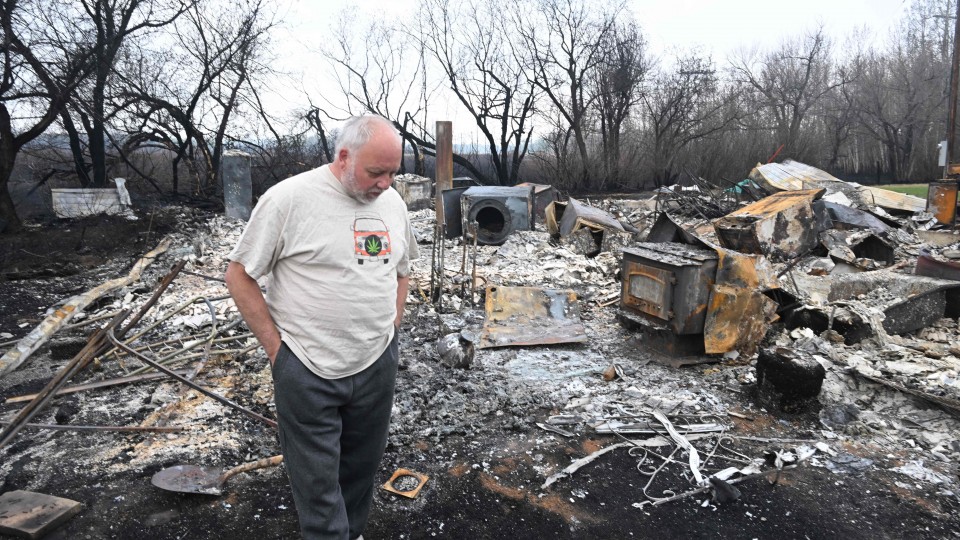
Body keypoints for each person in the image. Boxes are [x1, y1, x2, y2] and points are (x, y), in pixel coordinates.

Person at [224, 114, 417, 539]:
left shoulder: (393, 204)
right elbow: (239, 275)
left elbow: (402, 271)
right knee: (316, 484)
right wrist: (279, 352)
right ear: (344, 157)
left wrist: (392, 328)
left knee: (360, 471)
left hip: (375, 362)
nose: (385, 183)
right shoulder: (289, 200)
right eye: (375, 172)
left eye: (392, 172)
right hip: (307, 365)